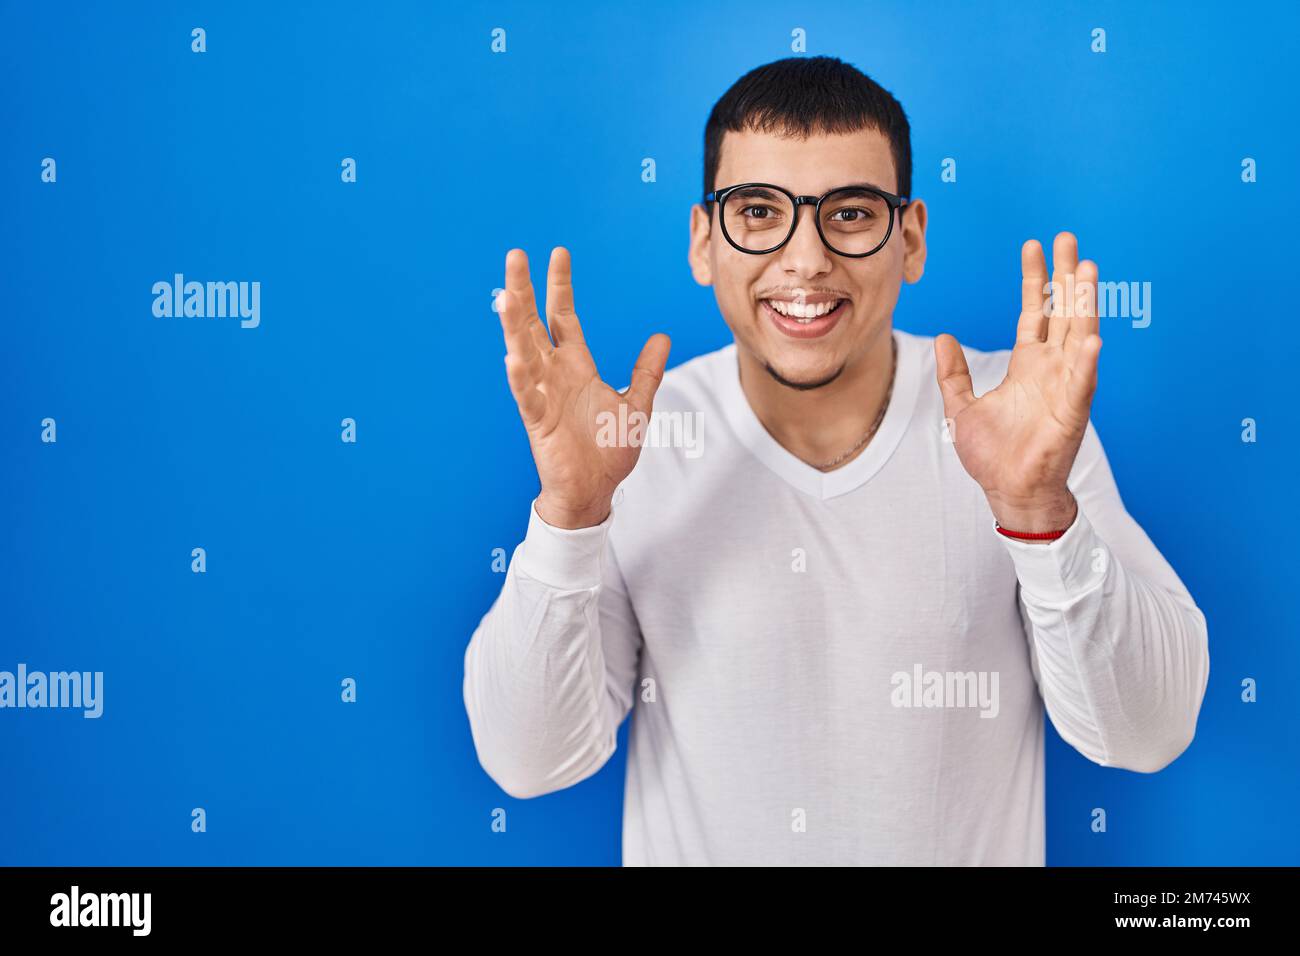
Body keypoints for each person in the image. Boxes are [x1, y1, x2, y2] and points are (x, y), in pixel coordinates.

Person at [462, 56, 1209, 865]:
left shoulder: (1020, 423)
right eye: (758, 212)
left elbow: (1149, 732)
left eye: (849, 214)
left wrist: (1037, 513)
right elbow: (528, 761)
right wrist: (571, 517)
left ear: (910, 239)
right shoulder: (634, 444)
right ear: (704, 242)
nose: (806, 260)